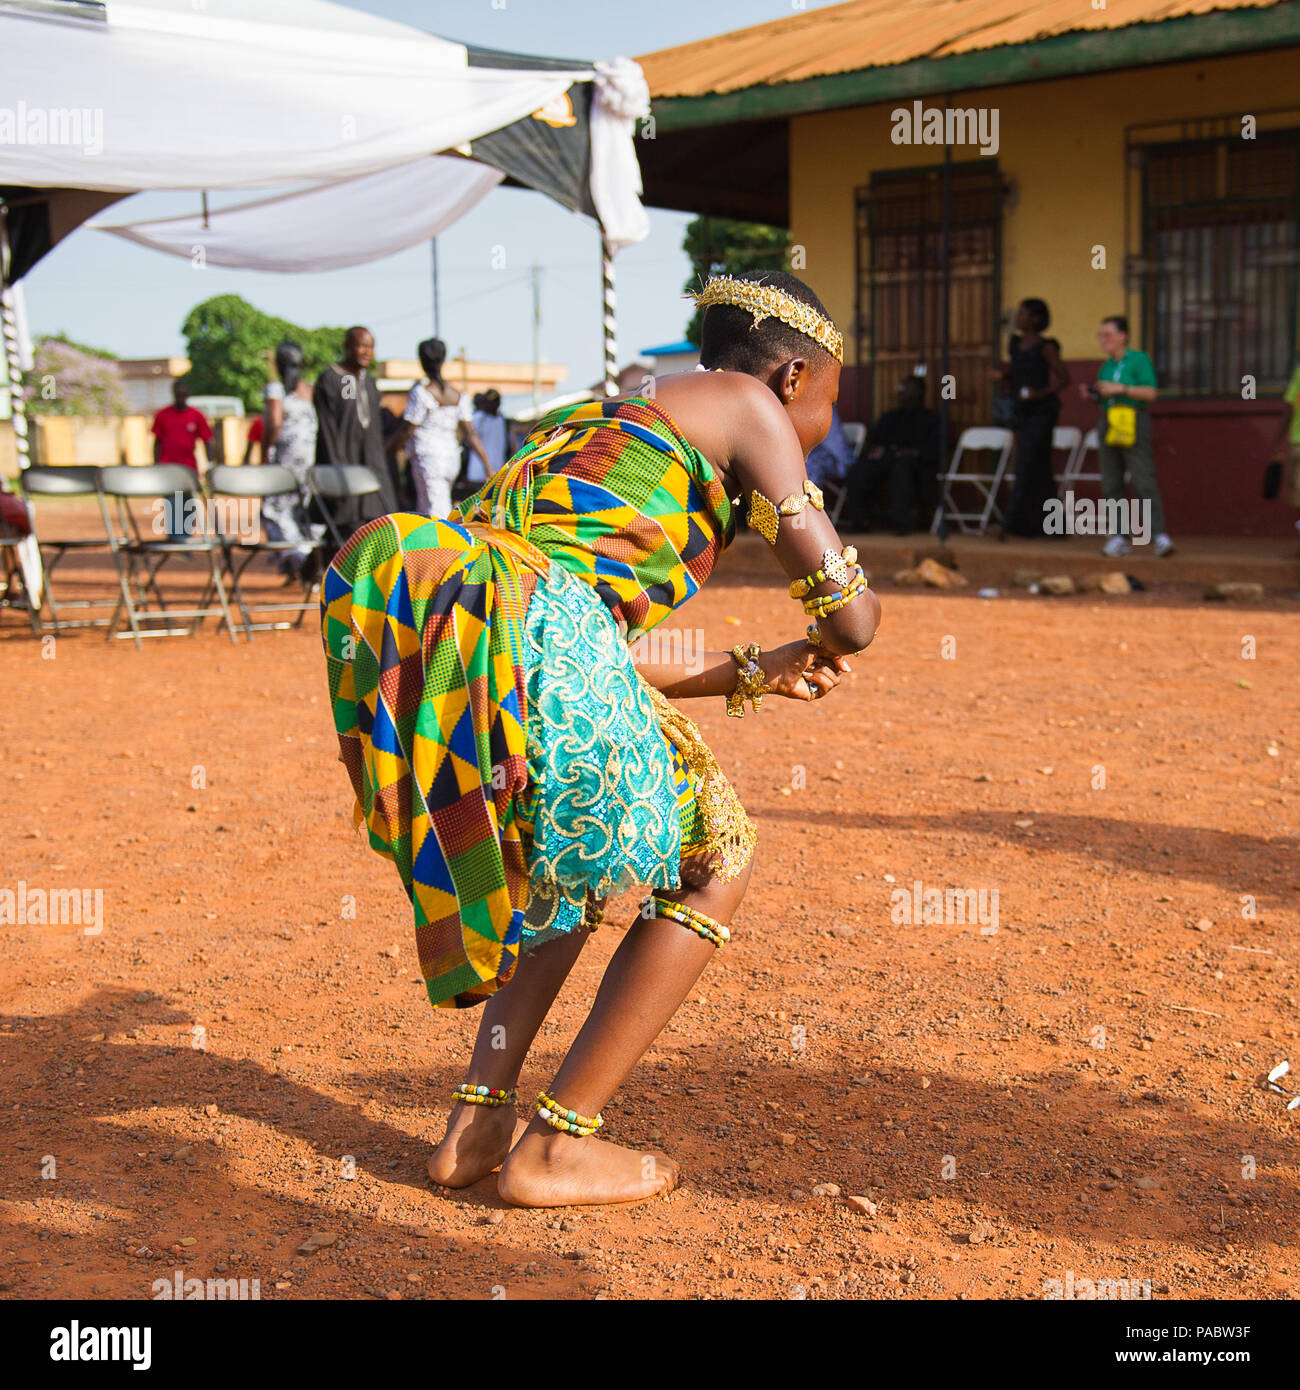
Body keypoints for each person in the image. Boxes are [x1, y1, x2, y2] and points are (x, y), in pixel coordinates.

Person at [320, 269, 879, 1208]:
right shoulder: (749, 405)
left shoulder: (606, 421)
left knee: (568, 870)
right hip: (536, 640)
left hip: (494, 648)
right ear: (791, 380)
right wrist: (834, 624)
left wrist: (749, 670)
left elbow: (583, 649)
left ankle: (478, 1124)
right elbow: (853, 614)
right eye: (828, 399)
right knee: (717, 858)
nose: (818, 426)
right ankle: (556, 1146)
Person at [1080, 315, 1174, 557]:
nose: (1103, 340)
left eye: (1108, 335)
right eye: (1101, 335)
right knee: (1111, 481)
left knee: (1143, 479)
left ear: (1123, 336)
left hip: (1134, 419)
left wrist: (1121, 389)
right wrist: (1094, 394)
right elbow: (1104, 395)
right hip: (1110, 420)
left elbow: (1151, 393)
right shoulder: (1107, 366)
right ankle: (1120, 536)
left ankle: (1159, 535)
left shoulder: (1139, 360)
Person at [385, 338, 490, 519]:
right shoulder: (459, 396)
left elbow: (408, 428)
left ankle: (443, 546)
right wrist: (488, 466)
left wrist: (389, 449)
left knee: (434, 510)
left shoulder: (421, 392)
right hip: (450, 459)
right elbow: (470, 433)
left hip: (429, 458)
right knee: (435, 504)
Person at [994, 298, 1069, 538]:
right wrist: (1002, 377)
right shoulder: (1015, 345)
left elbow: (1063, 379)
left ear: (1035, 319)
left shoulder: (1046, 346)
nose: (1019, 318)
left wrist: (1039, 393)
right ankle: (1050, 527)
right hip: (1023, 411)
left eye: (1023, 314)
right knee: (1040, 469)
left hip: (1042, 412)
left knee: (1024, 464)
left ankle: (1009, 523)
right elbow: (1016, 373)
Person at [313, 326, 399, 534]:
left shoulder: (369, 382)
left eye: (371, 347)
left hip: (373, 465)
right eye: (362, 346)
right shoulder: (331, 379)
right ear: (347, 347)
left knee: (380, 525)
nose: (367, 352)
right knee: (344, 529)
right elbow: (327, 430)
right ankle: (316, 566)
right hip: (343, 465)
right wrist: (338, 470)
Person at [842, 376, 939, 533]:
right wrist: (874, 450)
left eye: (907, 389)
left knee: (901, 471)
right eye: (901, 389)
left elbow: (933, 450)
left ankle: (902, 524)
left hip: (913, 464)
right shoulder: (890, 417)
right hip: (886, 459)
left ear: (919, 392)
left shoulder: (931, 419)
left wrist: (910, 452)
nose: (901, 393)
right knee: (858, 470)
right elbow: (873, 442)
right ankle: (860, 522)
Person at [261, 341, 323, 584]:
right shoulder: (308, 389)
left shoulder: (276, 389)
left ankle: (298, 557)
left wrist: (265, 449)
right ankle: (306, 564)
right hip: (310, 460)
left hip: (286, 460)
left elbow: (275, 422)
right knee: (302, 512)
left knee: (273, 511)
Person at [151, 378, 212, 541]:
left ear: (187, 395)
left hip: (189, 469)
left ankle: (186, 539)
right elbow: (157, 442)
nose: (180, 398)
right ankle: (174, 539)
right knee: (171, 503)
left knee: (187, 505)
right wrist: (156, 465)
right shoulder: (162, 415)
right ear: (173, 394)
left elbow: (207, 441)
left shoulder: (197, 416)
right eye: (177, 395)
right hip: (168, 468)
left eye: (183, 395)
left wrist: (211, 464)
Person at [804, 403, 856, 490]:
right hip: (819, 452)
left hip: (837, 458)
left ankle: (806, 500)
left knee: (808, 467)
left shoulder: (821, 407)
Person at [467, 388, 508, 497]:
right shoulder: (478, 418)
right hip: (479, 473)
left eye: (496, 401)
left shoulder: (500, 419)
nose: (494, 404)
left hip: (497, 472)